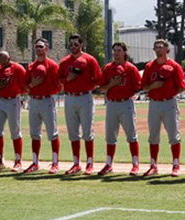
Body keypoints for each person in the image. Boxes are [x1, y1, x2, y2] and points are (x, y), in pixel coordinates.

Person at [140, 38, 185, 177]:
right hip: (154, 103)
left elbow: (182, 87)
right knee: (153, 135)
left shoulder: (174, 66)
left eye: (161, 47)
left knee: (173, 135)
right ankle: (153, 165)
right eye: (156, 47)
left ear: (167, 50)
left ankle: (176, 165)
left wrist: (169, 92)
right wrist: (152, 87)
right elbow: (144, 87)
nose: (158, 49)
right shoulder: (149, 66)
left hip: (169, 102)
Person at [58, 34, 102, 174]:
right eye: (71, 45)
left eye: (76, 44)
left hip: (85, 97)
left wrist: (88, 86)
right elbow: (59, 79)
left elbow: (98, 79)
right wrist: (67, 79)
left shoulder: (90, 60)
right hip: (70, 97)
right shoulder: (65, 61)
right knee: (73, 133)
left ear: (81, 45)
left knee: (87, 132)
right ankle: (76, 163)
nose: (73, 47)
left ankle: (89, 163)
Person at [97, 41, 142, 176]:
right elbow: (102, 88)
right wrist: (112, 83)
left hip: (125, 103)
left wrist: (129, 94)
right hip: (111, 104)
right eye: (114, 51)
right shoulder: (108, 68)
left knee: (131, 135)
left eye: (119, 51)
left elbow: (138, 87)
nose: (116, 54)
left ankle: (135, 164)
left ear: (124, 52)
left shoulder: (131, 68)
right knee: (110, 136)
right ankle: (108, 164)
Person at [23, 38, 62, 173]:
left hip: (47, 100)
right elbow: (25, 86)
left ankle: (55, 163)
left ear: (46, 48)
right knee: (34, 133)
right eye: (37, 47)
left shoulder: (52, 65)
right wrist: (32, 85)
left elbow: (59, 85)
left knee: (52, 132)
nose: (38, 49)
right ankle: (35, 163)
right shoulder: (31, 66)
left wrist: (49, 91)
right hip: (34, 101)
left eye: (41, 46)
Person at [0, 50, 27, 171]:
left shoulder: (18, 68)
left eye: (3, 60)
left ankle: (18, 161)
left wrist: (18, 93)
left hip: (13, 100)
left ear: (9, 59)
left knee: (15, 131)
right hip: (1, 100)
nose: (1, 63)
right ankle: (0, 161)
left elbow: (25, 85)